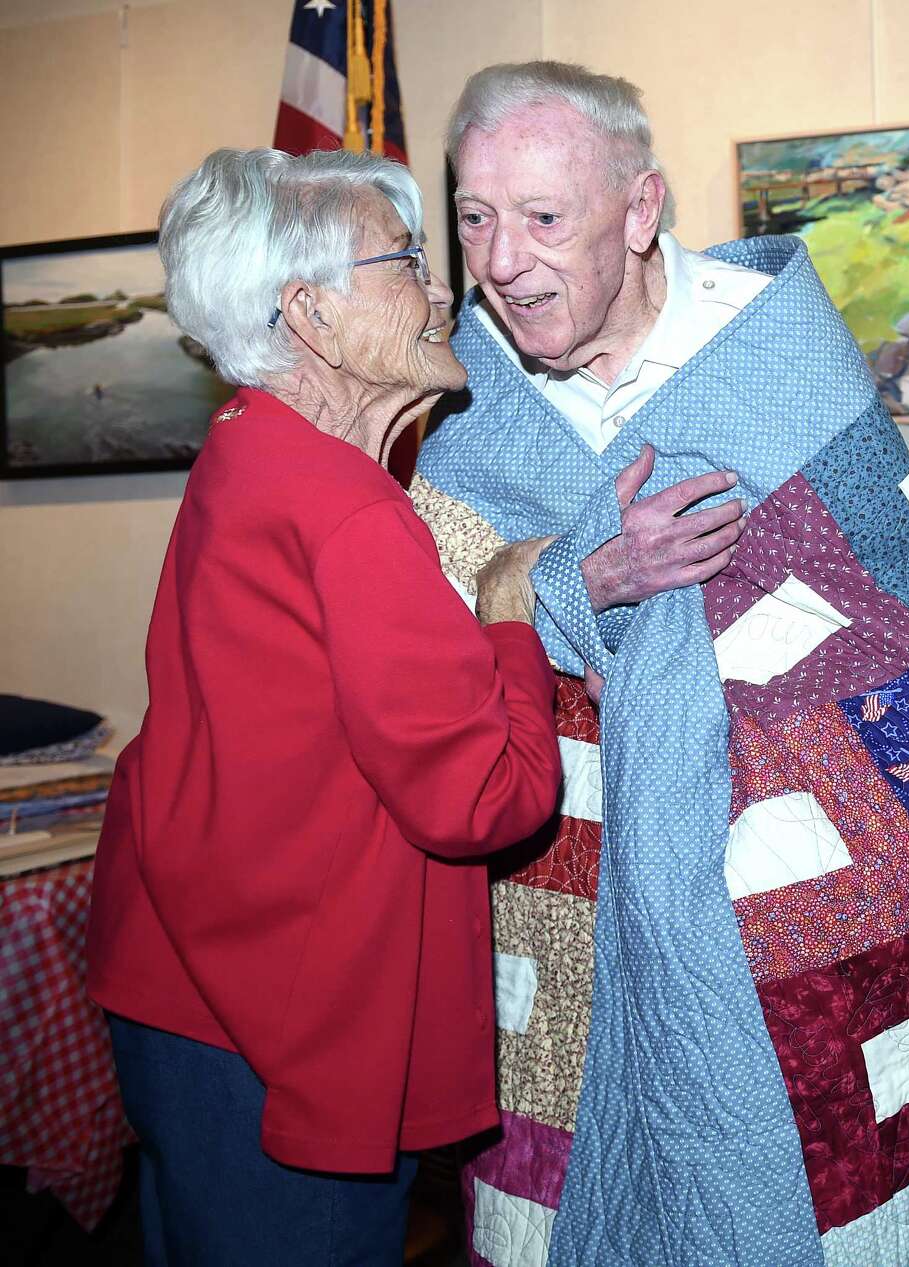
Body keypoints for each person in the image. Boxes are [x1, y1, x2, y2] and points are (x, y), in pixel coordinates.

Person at [414, 62, 909, 1267]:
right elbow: (426, 653)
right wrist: (581, 582)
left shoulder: (779, 362)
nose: (502, 261)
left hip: (801, 923)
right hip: (569, 909)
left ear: (641, 210)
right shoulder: (462, 408)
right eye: (475, 218)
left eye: (544, 218)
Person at [86, 147, 568, 1267]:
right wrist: (509, 615)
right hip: (279, 1023)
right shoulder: (347, 508)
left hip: (190, 985)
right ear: (307, 311)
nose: (444, 288)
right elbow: (484, 797)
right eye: (405, 261)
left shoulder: (249, 451)